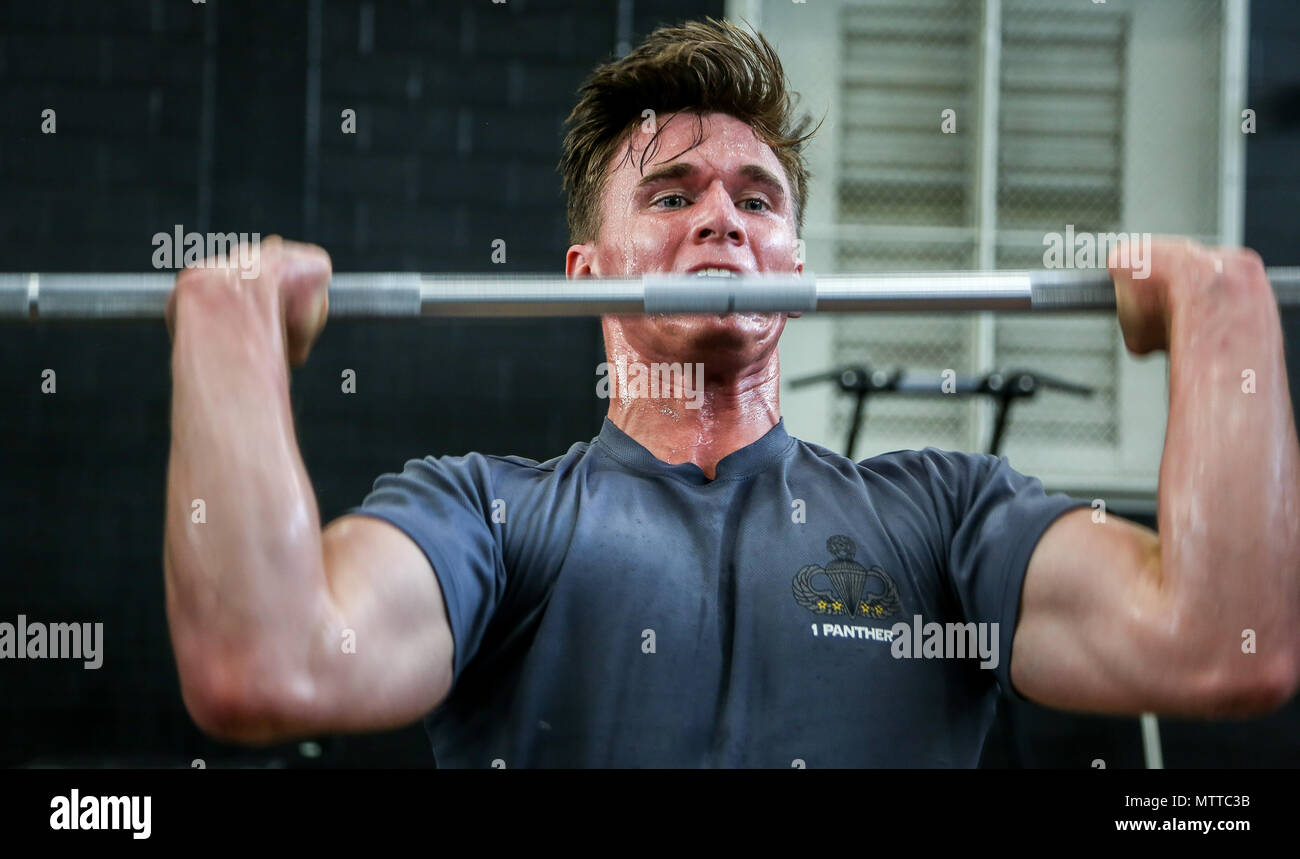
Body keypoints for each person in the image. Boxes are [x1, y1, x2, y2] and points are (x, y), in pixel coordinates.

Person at [162, 18, 1299, 767]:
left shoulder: (947, 517)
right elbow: (268, 664)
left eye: (758, 199)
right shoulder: (483, 517)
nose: (722, 216)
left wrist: (1226, 328)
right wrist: (226, 345)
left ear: (795, 270)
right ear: (588, 274)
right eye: (670, 193)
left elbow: (1222, 646)